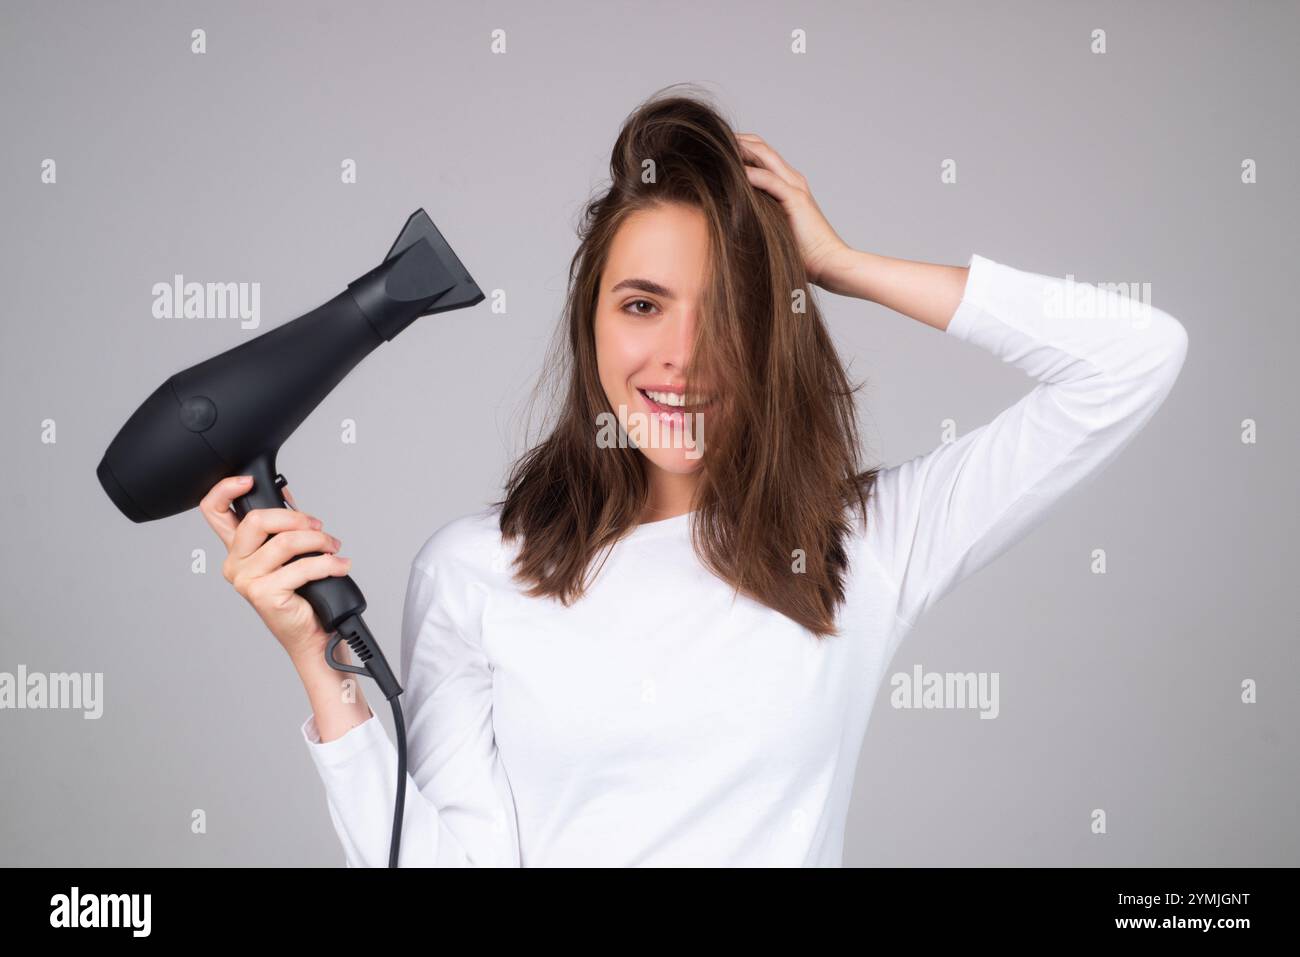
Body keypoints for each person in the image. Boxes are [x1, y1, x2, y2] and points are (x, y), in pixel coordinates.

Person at [199, 88, 1188, 866]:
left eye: (725, 309)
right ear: (590, 325)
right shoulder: (475, 571)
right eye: (641, 305)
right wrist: (317, 668)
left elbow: (1132, 358)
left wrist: (839, 264)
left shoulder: (862, 543)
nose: (679, 355)